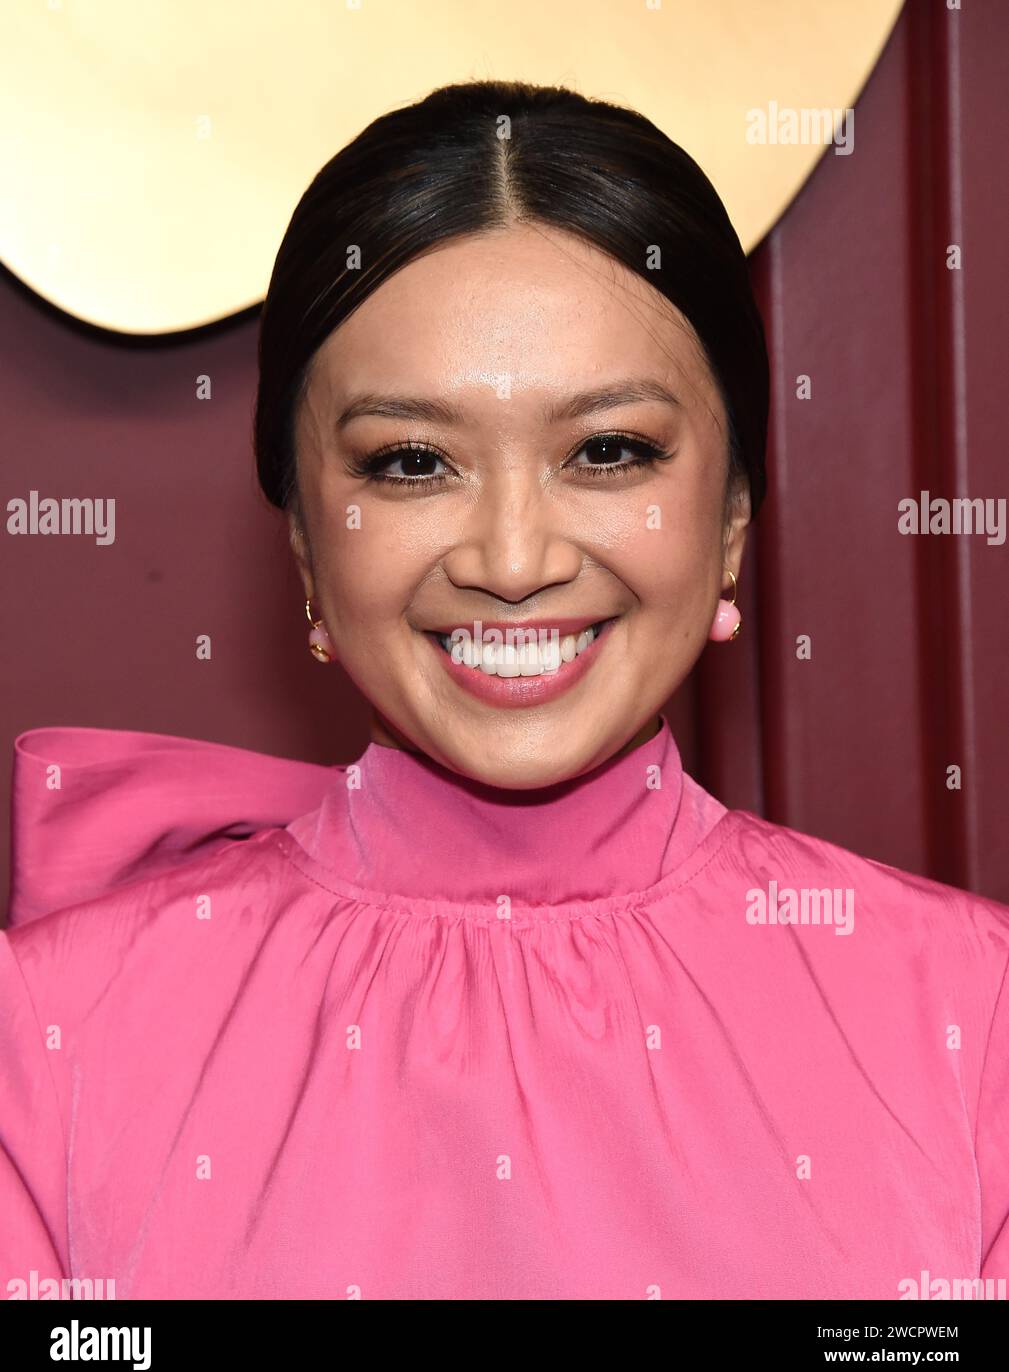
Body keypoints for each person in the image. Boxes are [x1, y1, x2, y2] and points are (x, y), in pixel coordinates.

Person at [2, 80, 1006, 1301]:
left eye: (608, 450)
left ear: (734, 516)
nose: (514, 559)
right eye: (413, 462)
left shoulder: (975, 1020)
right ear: (308, 545)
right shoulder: (46, 1040)